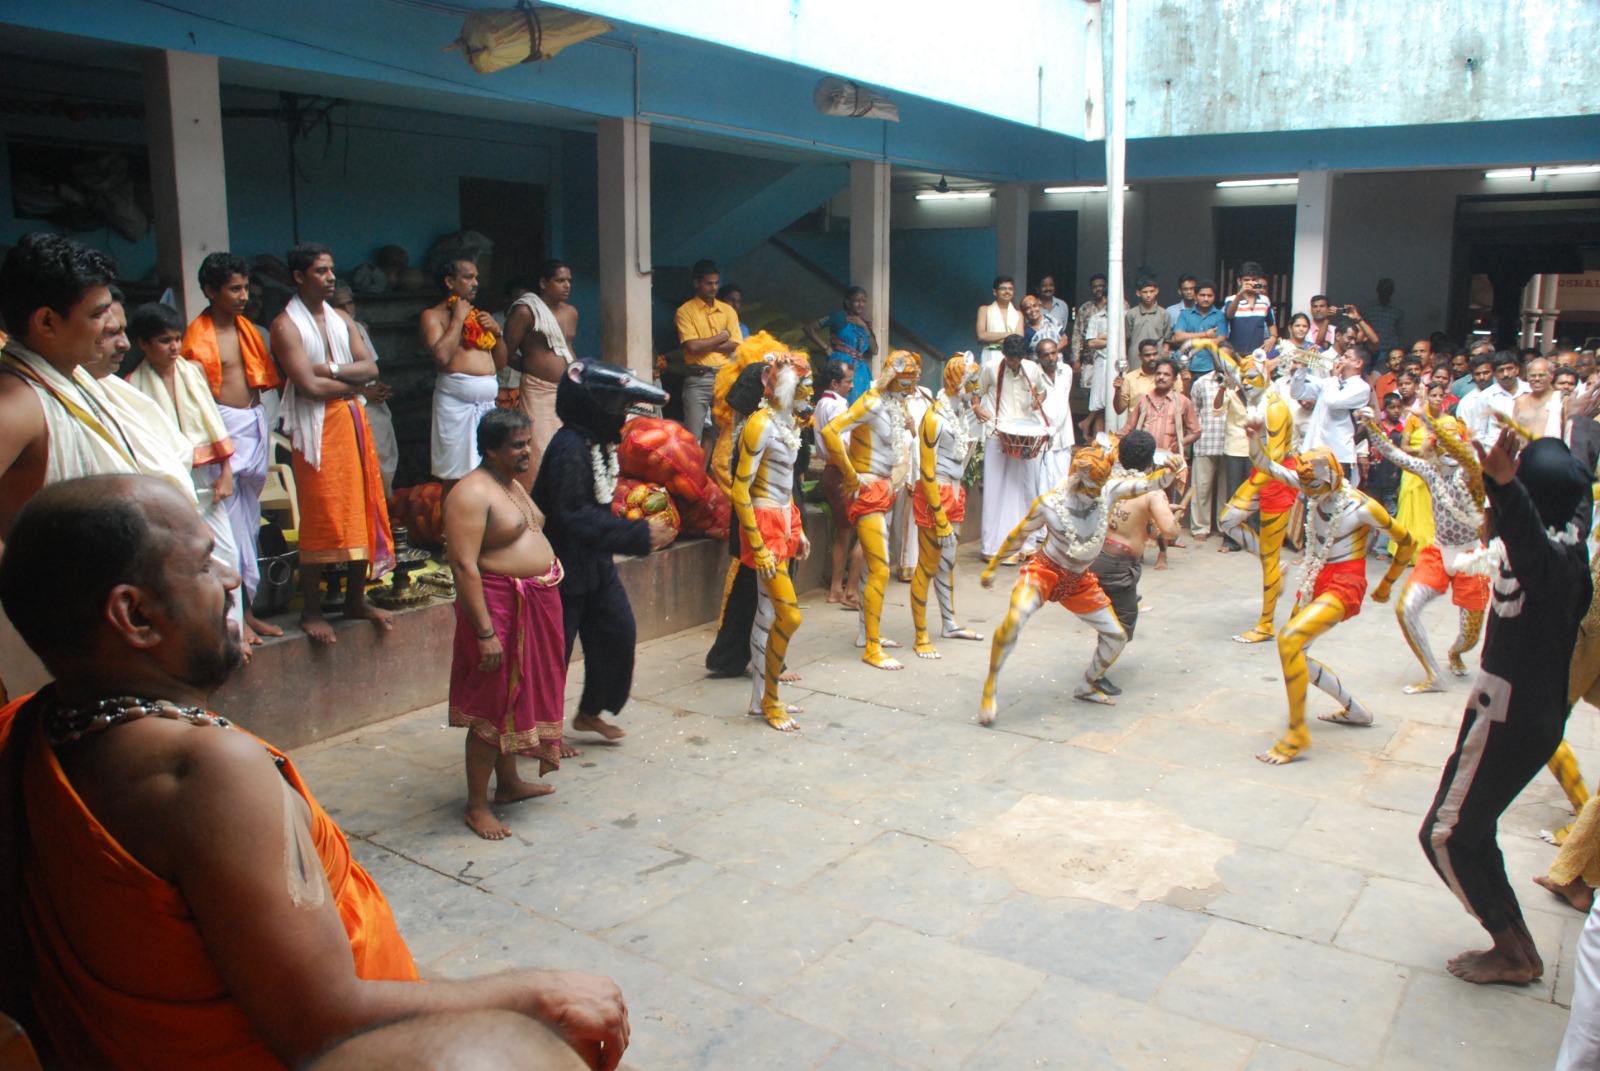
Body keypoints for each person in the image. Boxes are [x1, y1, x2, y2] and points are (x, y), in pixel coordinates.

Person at [0, 475, 631, 1071]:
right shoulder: (205, 774)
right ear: (135, 617)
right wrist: (534, 993)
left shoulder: (33, 728)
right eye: (201, 564)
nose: (227, 578)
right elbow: (322, 1019)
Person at [1420, 433, 1592, 986]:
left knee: (1445, 834)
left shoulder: (1551, 562)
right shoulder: (1570, 532)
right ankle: (1516, 946)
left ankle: (1513, 950)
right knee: (1470, 829)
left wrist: (1505, 484)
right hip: (1519, 713)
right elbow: (1574, 494)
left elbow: (1524, 533)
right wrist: (1511, 477)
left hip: (1510, 716)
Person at [0, 235, 127, 695]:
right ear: (47, 322)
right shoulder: (17, 403)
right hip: (53, 626)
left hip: (95, 614)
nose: (109, 325)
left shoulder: (72, 382)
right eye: (96, 314)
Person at [978, 432, 1179, 721]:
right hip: (1045, 571)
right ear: (1076, 480)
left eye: (1100, 488)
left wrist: (1168, 471)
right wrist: (992, 566)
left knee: (1116, 636)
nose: (1097, 494)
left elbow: (1147, 484)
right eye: (1091, 489)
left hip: (1080, 580)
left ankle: (1087, 685)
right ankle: (989, 690)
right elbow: (1017, 535)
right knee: (1014, 621)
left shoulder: (1107, 491)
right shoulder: (1049, 504)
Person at [1244, 428, 1415, 765]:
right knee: (1298, 653)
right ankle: (1356, 710)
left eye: (1315, 486)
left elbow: (1408, 542)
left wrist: (1387, 584)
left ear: (1334, 476)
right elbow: (1267, 465)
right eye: (1305, 486)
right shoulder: (1311, 486)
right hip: (1314, 576)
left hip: (1345, 583)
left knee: (1290, 641)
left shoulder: (1364, 507)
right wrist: (1252, 437)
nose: (1308, 492)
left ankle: (1297, 733)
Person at [532, 361, 675, 744]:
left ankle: (589, 712)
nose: (621, 411)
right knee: (553, 655)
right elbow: (571, 515)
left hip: (596, 565)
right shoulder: (568, 448)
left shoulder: (597, 444)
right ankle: (544, 734)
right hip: (561, 569)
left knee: (617, 633)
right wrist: (638, 533)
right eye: (615, 402)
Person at [443, 408, 567, 840]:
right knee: (492, 706)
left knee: (516, 700)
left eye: (527, 442)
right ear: (490, 449)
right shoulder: (469, 494)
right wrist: (484, 633)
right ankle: (476, 805)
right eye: (517, 445)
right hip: (497, 609)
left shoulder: (510, 485)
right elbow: (463, 565)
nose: (527, 452)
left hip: (533, 606)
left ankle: (509, 785)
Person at [269, 242, 395, 644]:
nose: (330, 277)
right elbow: (305, 385)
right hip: (315, 428)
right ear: (298, 277)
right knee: (322, 512)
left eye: (331, 270)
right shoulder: (285, 326)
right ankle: (311, 609)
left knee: (360, 506)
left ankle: (355, 600)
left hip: (351, 420)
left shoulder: (342, 318)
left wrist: (332, 370)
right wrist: (348, 381)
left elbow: (371, 369)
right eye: (321, 271)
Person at [123, 301, 248, 645]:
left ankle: (233, 634)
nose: (174, 346)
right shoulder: (132, 386)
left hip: (208, 478)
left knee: (227, 555)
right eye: (164, 340)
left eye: (177, 338)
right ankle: (206, 637)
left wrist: (226, 471)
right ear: (143, 344)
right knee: (190, 564)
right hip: (169, 485)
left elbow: (213, 420)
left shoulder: (191, 371)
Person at [182, 251, 285, 646]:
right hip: (220, 435)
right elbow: (196, 406)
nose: (244, 296)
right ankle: (233, 622)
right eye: (234, 288)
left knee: (248, 526)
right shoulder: (195, 338)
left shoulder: (249, 330)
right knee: (224, 531)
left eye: (246, 288)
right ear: (210, 291)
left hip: (252, 426)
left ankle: (249, 613)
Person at [1361, 409, 1488, 693]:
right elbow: (1394, 454)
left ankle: (1455, 653)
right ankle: (1434, 676)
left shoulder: (1471, 472)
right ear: (1432, 445)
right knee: (1406, 609)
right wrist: (1369, 424)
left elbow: (1465, 456)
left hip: (1472, 558)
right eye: (1441, 440)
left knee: (1470, 638)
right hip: (1439, 553)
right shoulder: (1429, 470)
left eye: (1454, 438)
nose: (1447, 447)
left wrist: (1435, 426)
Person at [821, 351, 925, 671]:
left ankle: (867, 636)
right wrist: (851, 475)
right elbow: (830, 432)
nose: (910, 389)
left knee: (870, 567)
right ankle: (872, 648)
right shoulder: (870, 402)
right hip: (867, 489)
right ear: (892, 378)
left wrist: (909, 427)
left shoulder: (896, 402)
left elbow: (902, 444)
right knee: (881, 568)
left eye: (913, 382)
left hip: (885, 487)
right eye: (906, 382)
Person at [730, 352, 813, 729]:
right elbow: (739, 490)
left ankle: (758, 700)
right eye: (805, 386)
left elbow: (785, 485)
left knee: (766, 616)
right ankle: (771, 700)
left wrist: (800, 529)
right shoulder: (760, 425)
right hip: (763, 523)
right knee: (788, 615)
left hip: (784, 518)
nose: (809, 394)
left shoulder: (786, 423)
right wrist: (759, 545)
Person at [1087, 430, 1181, 696]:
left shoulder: (1106, 480)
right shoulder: (1151, 491)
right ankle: (1094, 676)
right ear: (1150, 461)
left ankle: (1097, 665)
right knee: (1122, 626)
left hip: (1093, 557)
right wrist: (1171, 519)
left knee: (1109, 615)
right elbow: (1170, 532)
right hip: (1118, 565)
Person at [910, 353, 985, 659]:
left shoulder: (956, 412)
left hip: (953, 492)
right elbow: (926, 472)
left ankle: (949, 622)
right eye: (973, 381)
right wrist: (939, 517)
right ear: (959, 383)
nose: (977, 386)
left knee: (947, 562)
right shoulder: (934, 418)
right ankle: (920, 636)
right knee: (926, 567)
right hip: (935, 496)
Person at [421, 256, 506, 494]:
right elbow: (441, 357)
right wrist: (458, 318)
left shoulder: (479, 316)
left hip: (486, 404)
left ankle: (483, 528)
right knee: (455, 476)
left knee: (489, 473)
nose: (475, 282)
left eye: (476, 277)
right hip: (455, 406)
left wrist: (497, 333)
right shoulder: (432, 316)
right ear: (449, 281)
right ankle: (451, 532)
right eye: (468, 277)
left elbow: (500, 362)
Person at [975, 334, 1047, 562]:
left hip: (1025, 435)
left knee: (1026, 489)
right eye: (1011, 359)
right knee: (996, 489)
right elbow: (976, 395)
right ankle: (993, 547)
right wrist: (977, 409)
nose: (1014, 363)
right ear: (1003, 354)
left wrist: (1039, 401)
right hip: (998, 434)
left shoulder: (1032, 369)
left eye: (1018, 359)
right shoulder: (990, 368)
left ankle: (1026, 544)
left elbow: (1042, 390)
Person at [504, 259, 578, 482]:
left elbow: (568, 348)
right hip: (538, 390)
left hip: (567, 390)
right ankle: (539, 505)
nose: (567, 285)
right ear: (544, 283)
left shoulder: (571, 313)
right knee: (540, 448)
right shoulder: (526, 311)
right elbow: (506, 353)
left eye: (569, 281)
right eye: (560, 280)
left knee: (570, 446)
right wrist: (533, 370)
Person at [1128, 357, 1199, 568]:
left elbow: (1195, 431)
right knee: (1140, 508)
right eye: (1158, 373)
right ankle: (1138, 551)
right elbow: (1129, 429)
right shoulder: (1144, 400)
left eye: (1166, 374)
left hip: (1168, 464)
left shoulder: (1183, 402)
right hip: (1144, 463)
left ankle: (1162, 553)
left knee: (1164, 508)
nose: (1161, 377)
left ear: (1174, 379)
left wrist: (1179, 444)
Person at [331, 285, 398, 496]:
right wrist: (362, 393)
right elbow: (329, 376)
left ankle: (383, 516)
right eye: (339, 305)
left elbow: (372, 369)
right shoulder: (325, 331)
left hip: (371, 403)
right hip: (346, 404)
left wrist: (379, 389)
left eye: (349, 303)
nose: (346, 308)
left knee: (382, 466)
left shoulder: (358, 329)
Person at [1289, 325, 1371, 484]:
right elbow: (1297, 393)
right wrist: (1302, 367)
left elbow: (1333, 401)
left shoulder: (1361, 387)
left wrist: (1334, 377)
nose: (1340, 359)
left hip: (1338, 455)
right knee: (1311, 504)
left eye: (1346, 357)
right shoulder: (1330, 383)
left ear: (1358, 363)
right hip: (1314, 451)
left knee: (1335, 504)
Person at [674, 259, 740, 453]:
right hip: (698, 378)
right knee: (693, 436)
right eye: (708, 283)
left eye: (716, 283)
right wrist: (722, 336)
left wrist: (706, 344)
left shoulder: (727, 310)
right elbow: (693, 347)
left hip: (724, 377)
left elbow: (736, 343)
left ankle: (712, 479)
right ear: (697, 283)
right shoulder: (684, 311)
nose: (713, 288)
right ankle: (690, 481)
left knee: (723, 434)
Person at [813, 358, 863, 609]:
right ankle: (841, 590)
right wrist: (856, 465)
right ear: (835, 383)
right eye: (848, 381)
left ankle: (837, 587)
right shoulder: (836, 407)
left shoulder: (823, 403)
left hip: (832, 471)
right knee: (850, 533)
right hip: (841, 472)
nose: (852, 386)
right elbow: (841, 443)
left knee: (843, 533)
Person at [1187, 348, 1249, 547]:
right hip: (1206, 441)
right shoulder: (1202, 382)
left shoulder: (1238, 384)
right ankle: (1200, 527)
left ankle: (1224, 527)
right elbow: (1193, 411)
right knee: (1201, 488)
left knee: (1226, 490)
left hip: (1231, 443)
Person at [805, 286, 878, 405]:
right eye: (857, 300)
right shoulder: (838, 318)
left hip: (861, 371)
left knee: (863, 406)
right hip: (841, 366)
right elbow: (809, 328)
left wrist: (864, 326)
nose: (860, 304)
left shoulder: (866, 322)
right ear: (848, 302)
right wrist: (825, 347)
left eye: (863, 301)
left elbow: (874, 350)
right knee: (841, 403)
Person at [1072, 274, 1116, 439]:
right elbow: (1078, 335)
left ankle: (1090, 428)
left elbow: (1125, 336)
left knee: (1106, 398)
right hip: (1091, 361)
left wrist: (1104, 337)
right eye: (1095, 286)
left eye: (1101, 285)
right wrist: (1076, 359)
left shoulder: (1123, 308)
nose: (1098, 288)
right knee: (1096, 399)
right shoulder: (1086, 309)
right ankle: (1095, 434)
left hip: (1113, 362)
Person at [1457, 352, 1530, 444]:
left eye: (1510, 369)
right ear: (1495, 373)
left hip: (1527, 449)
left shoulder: (1530, 391)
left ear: (1517, 370)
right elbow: (1479, 432)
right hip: (1496, 451)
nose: (1506, 374)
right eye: (1501, 370)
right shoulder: (1485, 396)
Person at [1171, 279, 1227, 381]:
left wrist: (1189, 340)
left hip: (1211, 367)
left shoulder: (1220, 316)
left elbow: (1220, 341)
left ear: (1214, 298)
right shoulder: (1185, 314)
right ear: (1195, 296)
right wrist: (1206, 334)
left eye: (1209, 296)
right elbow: (1178, 337)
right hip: (1186, 367)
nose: (1206, 298)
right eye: (1202, 295)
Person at [1222, 262, 1277, 358]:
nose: (1250, 282)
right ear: (1239, 281)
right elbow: (1229, 315)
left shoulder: (1265, 300)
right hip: (1235, 354)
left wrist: (1273, 337)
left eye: (1254, 280)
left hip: (1257, 355)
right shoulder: (1231, 299)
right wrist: (1240, 294)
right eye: (1246, 280)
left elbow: (1271, 323)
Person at [975, 275, 1024, 367]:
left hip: (1012, 357)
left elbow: (1018, 340)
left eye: (1010, 289)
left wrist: (991, 337)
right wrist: (1009, 334)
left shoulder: (1018, 314)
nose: (1007, 291)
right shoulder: (984, 310)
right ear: (995, 292)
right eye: (1003, 289)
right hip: (990, 354)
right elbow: (981, 336)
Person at [1513, 357, 1564, 438]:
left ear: (1551, 376)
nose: (1537, 379)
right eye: (1533, 376)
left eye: (1542, 375)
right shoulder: (1520, 400)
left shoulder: (1560, 399)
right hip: (1524, 449)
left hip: (1550, 448)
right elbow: (1513, 431)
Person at [1124, 276, 1172, 359]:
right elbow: (1126, 339)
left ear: (1156, 291)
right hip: (1136, 357)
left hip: (1157, 357)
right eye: (1145, 292)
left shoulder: (1164, 314)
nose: (1149, 295)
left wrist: (1165, 355)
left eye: (1151, 291)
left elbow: (1167, 340)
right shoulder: (1131, 314)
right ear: (1138, 293)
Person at [1113, 339, 1162, 417]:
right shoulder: (1130, 378)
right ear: (1140, 356)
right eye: (1147, 355)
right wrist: (1117, 391)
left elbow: (1183, 402)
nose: (1152, 358)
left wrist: (1186, 382)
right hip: (1137, 426)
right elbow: (1119, 410)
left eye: (1155, 354)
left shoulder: (1168, 376)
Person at [1365, 277, 1406, 356]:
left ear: (1392, 291)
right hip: (1370, 352)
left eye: (1388, 289)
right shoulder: (1368, 309)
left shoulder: (1397, 311)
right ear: (1377, 290)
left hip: (1389, 353)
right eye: (1383, 289)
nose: (1385, 292)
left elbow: (1399, 333)